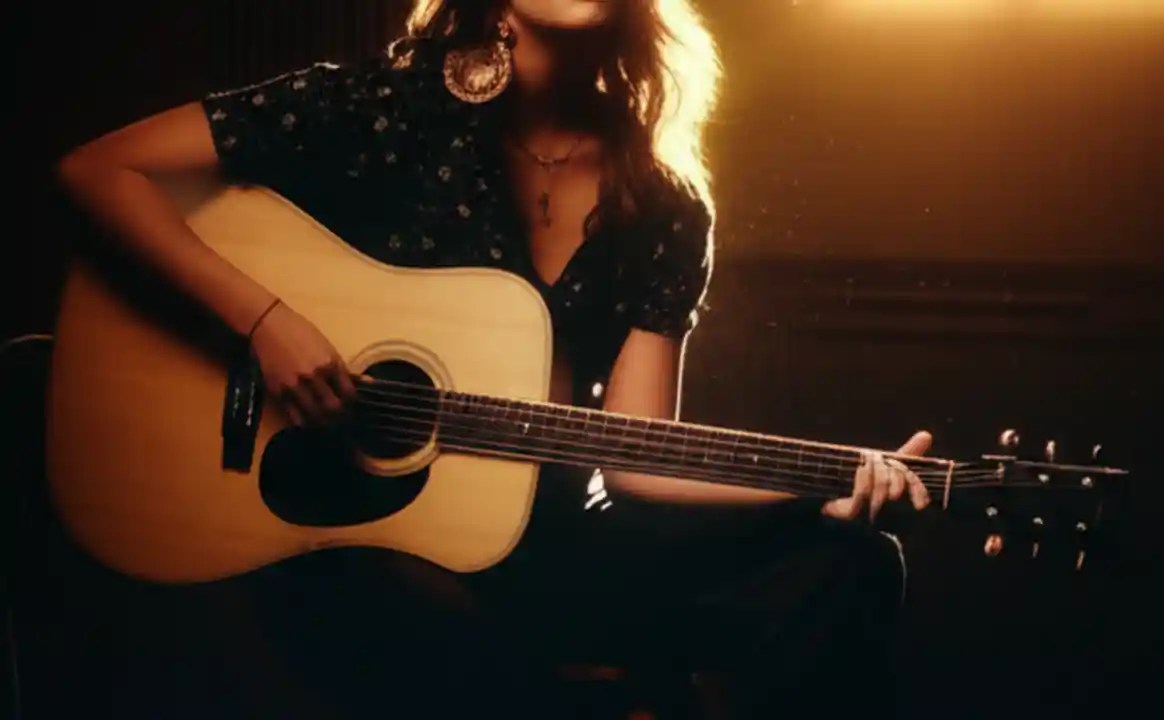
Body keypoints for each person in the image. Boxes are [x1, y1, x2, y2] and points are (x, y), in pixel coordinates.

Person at [55, 1, 934, 717]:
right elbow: (101, 172)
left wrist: (824, 483)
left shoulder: (662, 205)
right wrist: (265, 322)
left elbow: (635, 457)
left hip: (557, 548)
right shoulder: (381, 110)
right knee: (398, 599)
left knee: (852, 567)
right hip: (371, 542)